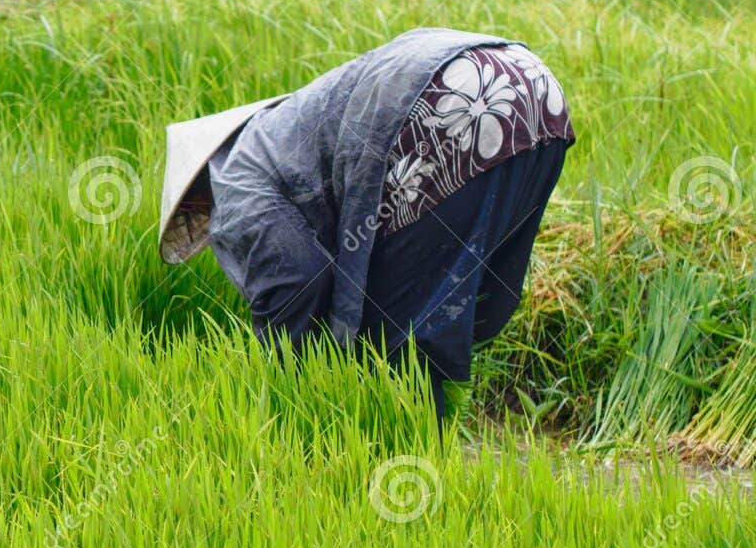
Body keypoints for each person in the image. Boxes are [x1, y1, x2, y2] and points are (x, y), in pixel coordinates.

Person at [158, 28, 574, 416]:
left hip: (451, 107)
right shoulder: (280, 129)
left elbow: (297, 279)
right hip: (533, 90)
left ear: (196, 194)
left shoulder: (233, 179)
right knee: (442, 308)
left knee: (397, 345)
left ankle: (420, 464)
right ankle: (439, 463)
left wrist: (289, 389)